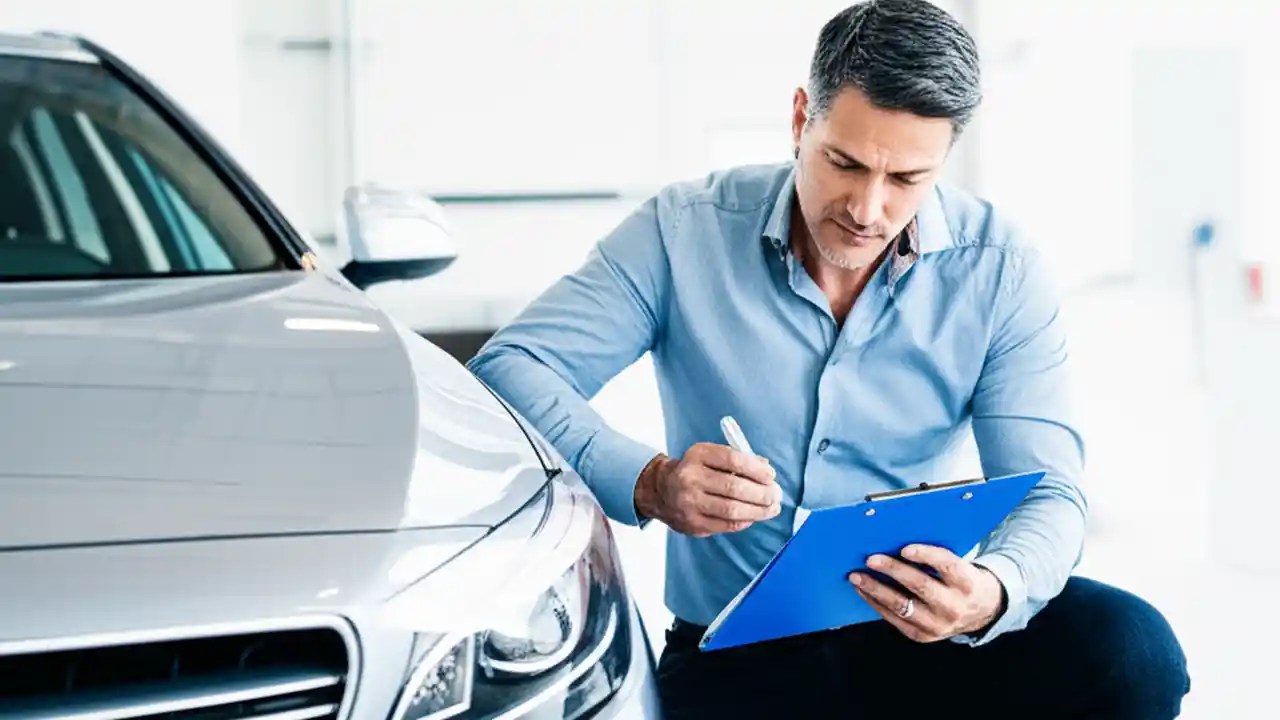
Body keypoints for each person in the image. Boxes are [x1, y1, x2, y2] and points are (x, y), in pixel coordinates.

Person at [468, 1, 1190, 717]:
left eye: (907, 179)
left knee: (1131, 651)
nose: (868, 209)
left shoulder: (999, 267)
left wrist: (991, 592)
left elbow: (1050, 494)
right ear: (798, 120)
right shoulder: (682, 231)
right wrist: (651, 482)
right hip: (737, 653)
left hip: (921, 634)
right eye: (844, 163)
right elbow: (513, 367)